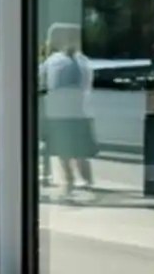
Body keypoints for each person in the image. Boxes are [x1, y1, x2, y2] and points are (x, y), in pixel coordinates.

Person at [38, 23, 96, 199]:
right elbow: (87, 86)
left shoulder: (54, 61)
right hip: (78, 111)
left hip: (58, 112)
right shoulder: (83, 61)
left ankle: (69, 182)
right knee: (79, 150)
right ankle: (86, 181)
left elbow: (42, 82)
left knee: (63, 150)